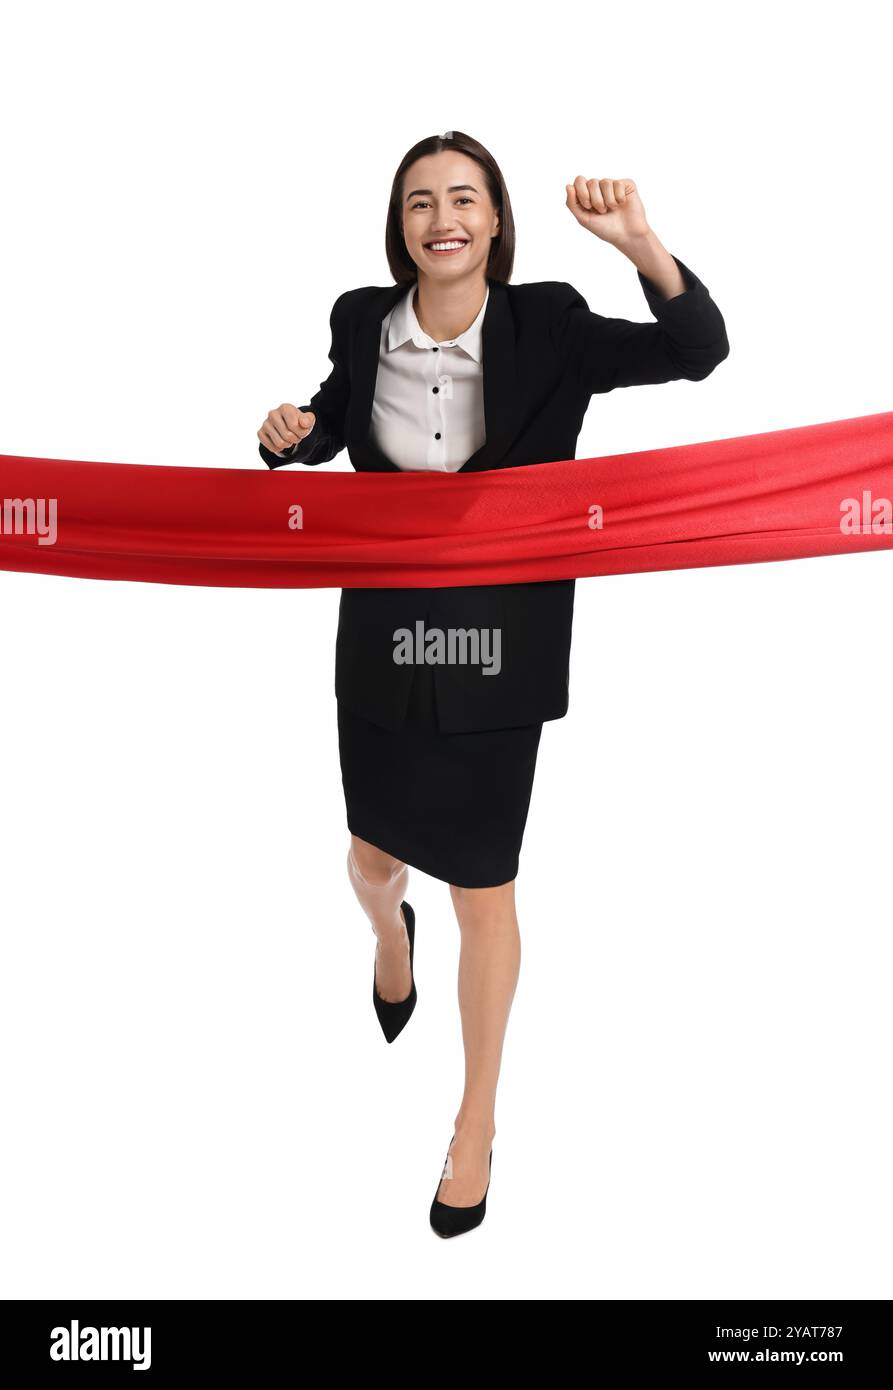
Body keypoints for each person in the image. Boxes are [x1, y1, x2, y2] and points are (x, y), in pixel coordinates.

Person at [257, 130, 730, 1237]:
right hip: (380, 634)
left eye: (462, 197)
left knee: (484, 885)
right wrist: (291, 436)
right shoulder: (357, 319)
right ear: (400, 226)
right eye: (420, 201)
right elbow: (331, 420)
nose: (441, 218)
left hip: (495, 650)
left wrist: (640, 245)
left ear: (495, 221)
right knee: (371, 857)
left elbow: (698, 348)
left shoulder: (550, 325)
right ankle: (386, 937)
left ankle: (475, 1120)